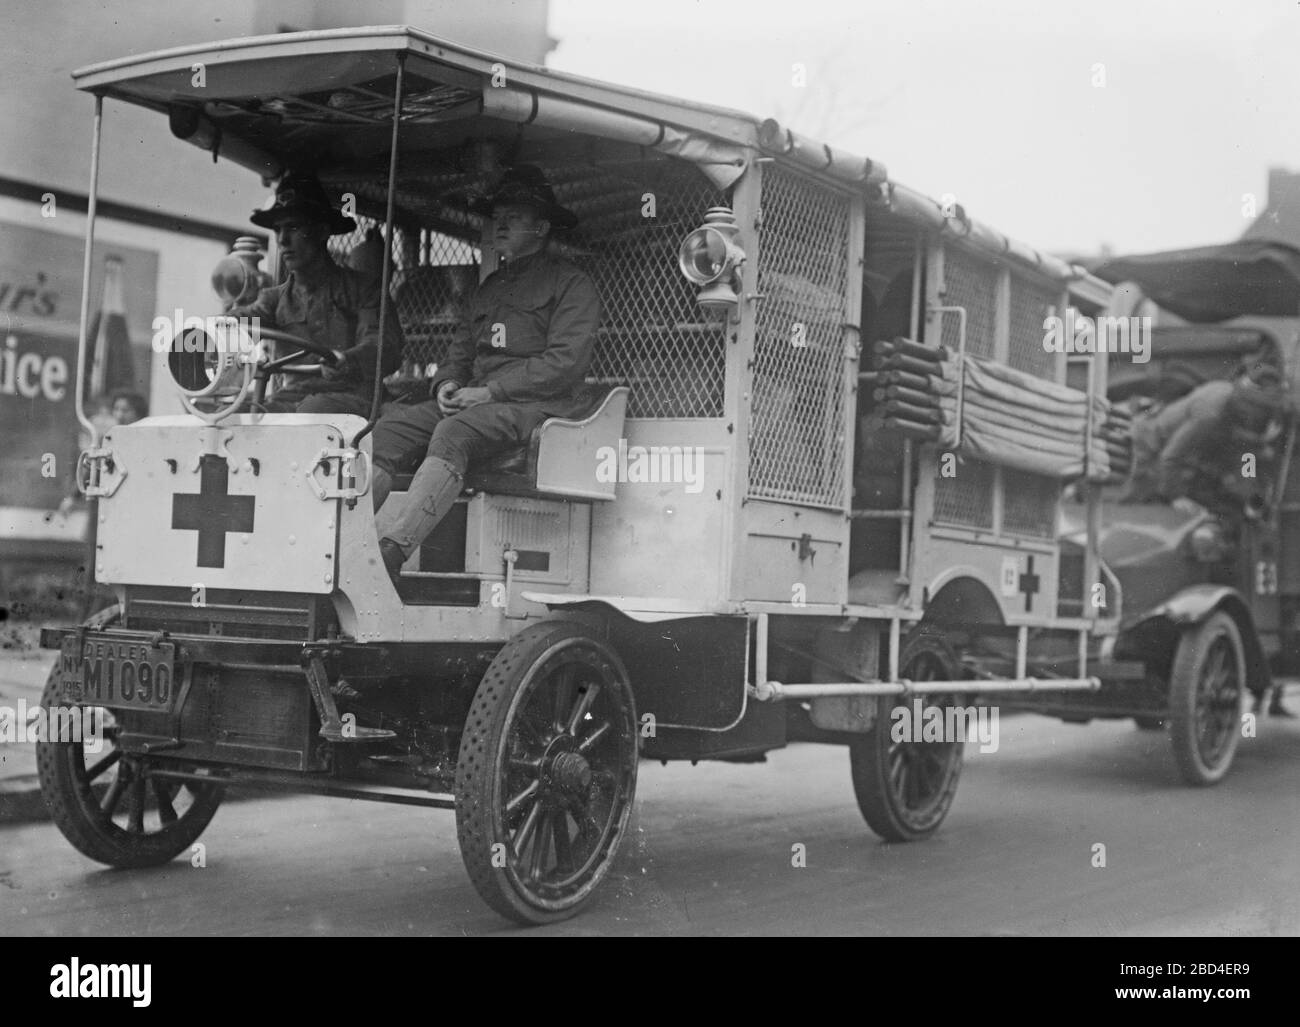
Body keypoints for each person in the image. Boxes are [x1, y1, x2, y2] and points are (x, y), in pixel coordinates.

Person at [369, 165, 601, 581]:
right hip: (477, 403)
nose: (502, 222)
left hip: (538, 408)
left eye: (516, 214)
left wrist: (490, 392)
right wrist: (447, 384)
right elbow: (459, 352)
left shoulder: (571, 284)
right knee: (387, 432)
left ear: (543, 227)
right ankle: (344, 545)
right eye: (500, 214)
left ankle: (389, 555)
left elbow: (565, 364)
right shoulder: (489, 286)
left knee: (453, 432)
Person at [231, 172, 401, 415]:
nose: (283, 240)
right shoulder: (273, 300)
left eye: (293, 227)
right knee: (231, 415)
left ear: (322, 231)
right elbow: (244, 320)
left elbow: (384, 346)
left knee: (311, 410)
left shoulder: (364, 290)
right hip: (292, 401)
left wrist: (348, 360)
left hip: (355, 404)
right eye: (278, 230)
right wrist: (222, 325)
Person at [1121, 362, 1285, 510]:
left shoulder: (1229, 394)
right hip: (1147, 449)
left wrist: (1250, 493)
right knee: (1135, 508)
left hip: (1173, 456)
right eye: (1261, 410)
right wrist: (1175, 498)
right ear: (1249, 403)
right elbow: (1170, 457)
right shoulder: (1210, 413)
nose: (1261, 417)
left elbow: (1245, 454)